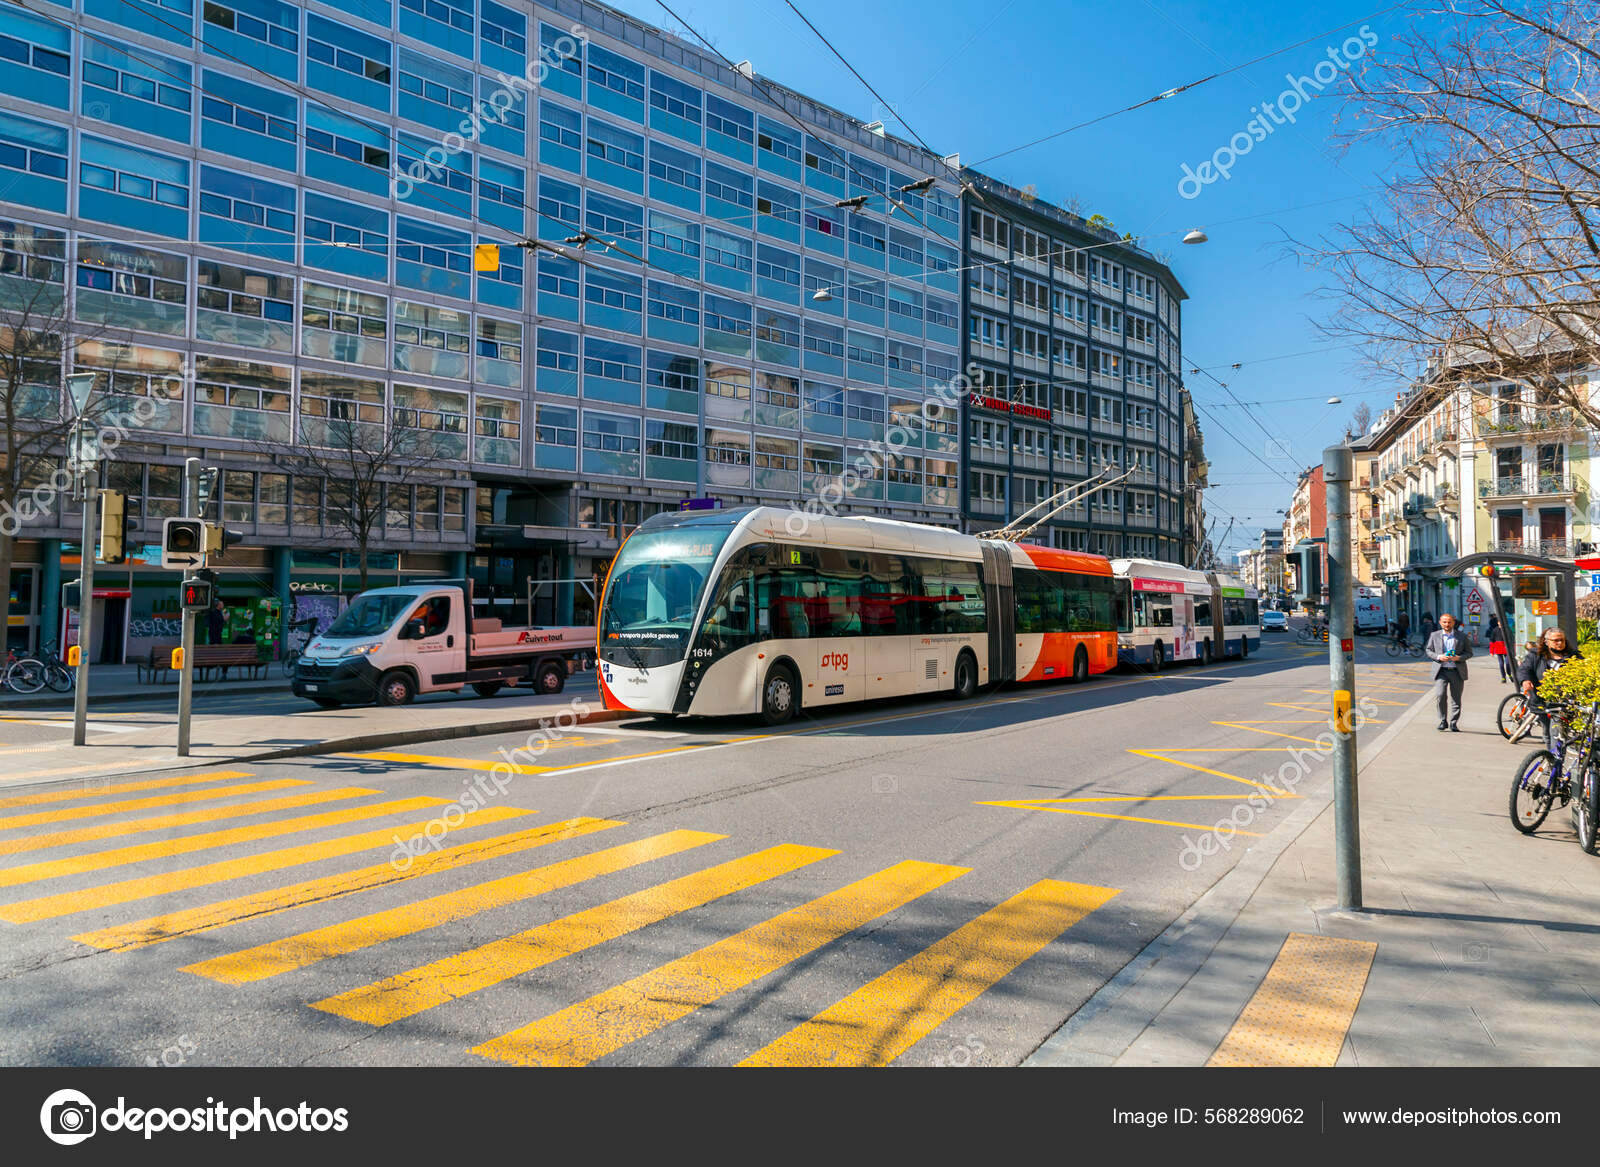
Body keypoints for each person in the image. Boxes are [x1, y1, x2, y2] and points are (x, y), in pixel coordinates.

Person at [1519, 626, 1582, 751]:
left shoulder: (1573, 656)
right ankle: (1551, 760)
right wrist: (1525, 680)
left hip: (1563, 703)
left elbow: (1583, 672)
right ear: (1547, 642)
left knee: (1557, 733)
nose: (1559, 643)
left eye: (1562, 640)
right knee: (1548, 732)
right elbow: (1524, 669)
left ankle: (1555, 760)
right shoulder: (1536, 655)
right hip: (1541, 701)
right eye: (1556, 640)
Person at [1426, 612, 1473, 731]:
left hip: (1457, 671)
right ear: (1441, 623)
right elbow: (1428, 650)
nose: (1447, 624)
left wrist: (1459, 658)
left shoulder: (1461, 636)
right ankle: (1443, 720)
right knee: (1440, 695)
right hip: (1441, 671)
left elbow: (1469, 653)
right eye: (1444, 622)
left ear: (1453, 622)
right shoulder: (1434, 635)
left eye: (1449, 622)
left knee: (1456, 698)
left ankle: (1453, 722)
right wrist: (1438, 657)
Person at [1486, 614, 1513, 683]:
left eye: (1502, 622)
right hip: (1498, 649)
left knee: (1507, 663)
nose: (1500, 623)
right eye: (1499, 622)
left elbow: (1512, 640)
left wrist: (1513, 650)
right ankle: (1503, 677)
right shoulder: (1495, 630)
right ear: (1498, 622)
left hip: (1506, 649)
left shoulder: (1507, 629)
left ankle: (1509, 674)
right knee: (1501, 664)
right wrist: (1491, 651)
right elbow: (1492, 641)